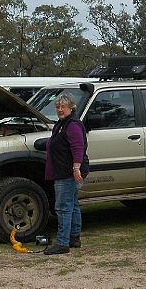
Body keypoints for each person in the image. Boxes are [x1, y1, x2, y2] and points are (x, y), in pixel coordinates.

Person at [43, 95, 89, 255]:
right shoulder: (62, 124)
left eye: (63, 107)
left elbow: (78, 148)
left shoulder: (73, 125)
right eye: (58, 107)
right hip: (64, 171)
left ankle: (62, 243)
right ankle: (74, 238)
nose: (60, 110)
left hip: (68, 173)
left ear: (71, 108)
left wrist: (76, 169)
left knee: (63, 207)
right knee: (73, 205)